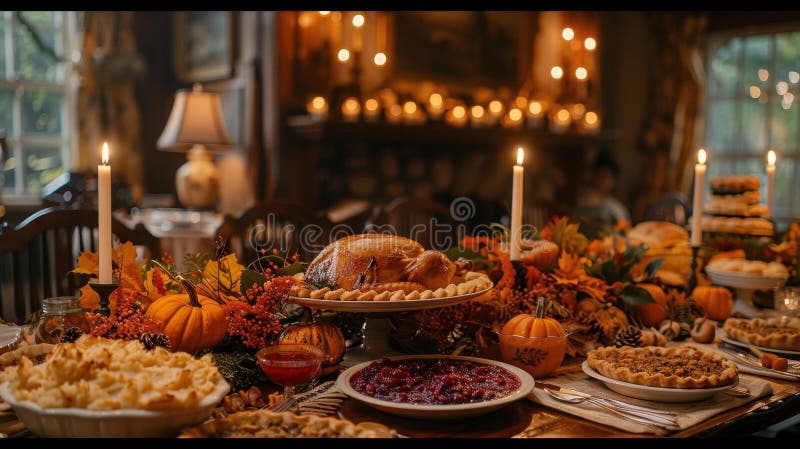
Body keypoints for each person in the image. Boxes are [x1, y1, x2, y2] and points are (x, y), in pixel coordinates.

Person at [573, 152, 630, 237]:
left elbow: (625, 234)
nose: (604, 181)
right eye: (602, 176)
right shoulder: (582, 201)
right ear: (594, 175)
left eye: (608, 177)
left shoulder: (616, 208)